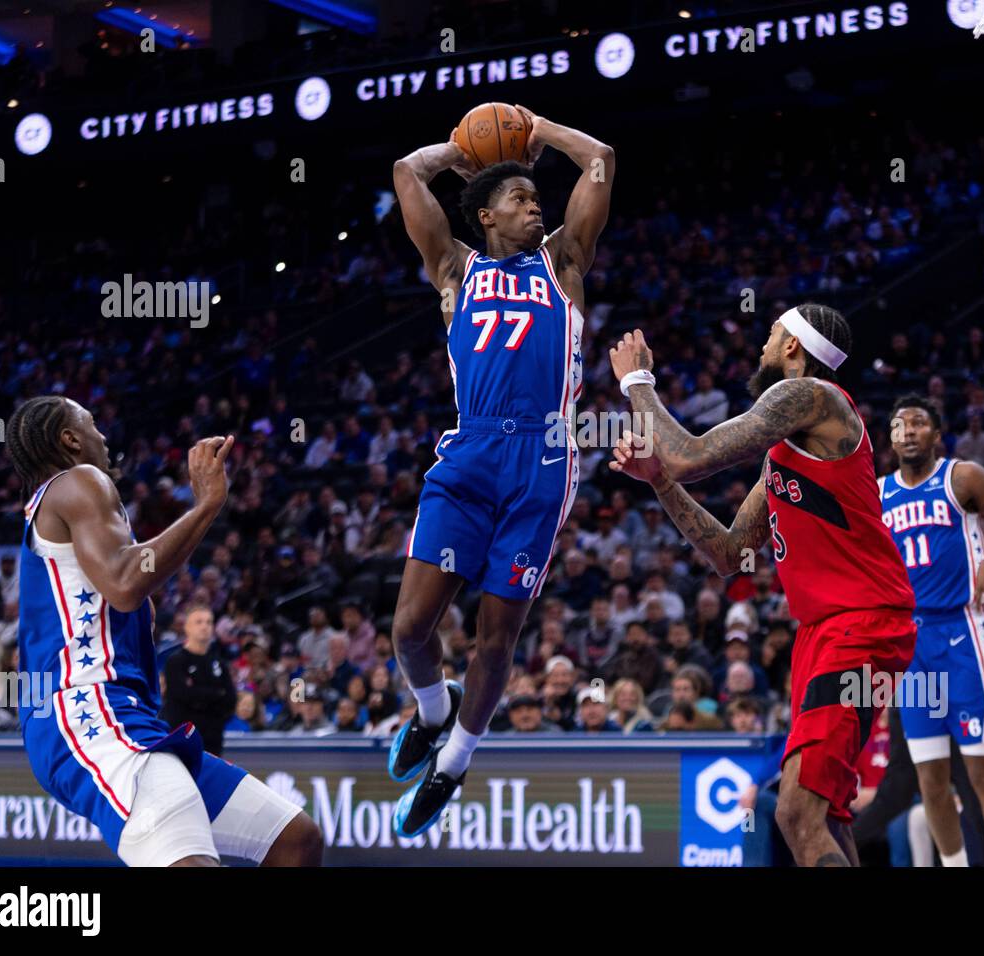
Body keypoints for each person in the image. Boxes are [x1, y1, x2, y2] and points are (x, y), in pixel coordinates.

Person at [608, 306, 915, 867]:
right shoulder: (787, 453)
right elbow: (729, 555)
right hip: (826, 632)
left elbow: (690, 455)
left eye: (771, 336)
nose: (761, 348)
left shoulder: (813, 396)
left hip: (859, 625)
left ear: (795, 347)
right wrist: (658, 481)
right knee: (823, 816)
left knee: (794, 812)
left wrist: (637, 382)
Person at [387, 108, 614, 836]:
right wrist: (461, 151)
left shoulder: (564, 262)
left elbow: (601, 158)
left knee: (496, 633)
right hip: (471, 452)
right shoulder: (455, 268)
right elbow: (405, 172)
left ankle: (453, 761)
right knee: (410, 629)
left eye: (535, 199)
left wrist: (539, 129)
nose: (534, 206)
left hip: (543, 458)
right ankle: (433, 709)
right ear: (485, 215)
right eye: (518, 198)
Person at [4, 396, 321, 867]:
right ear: (69, 439)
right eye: (91, 425)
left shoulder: (62, 508)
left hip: (120, 715)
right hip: (89, 710)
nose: (104, 436)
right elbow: (126, 584)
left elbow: (120, 589)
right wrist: (208, 505)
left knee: (295, 840)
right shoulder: (79, 481)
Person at [883, 393, 984, 867]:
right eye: (898, 425)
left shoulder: (962, 476)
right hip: (913, 645)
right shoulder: (876, 493)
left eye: (918, 422)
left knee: (981, 772)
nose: (907, 430)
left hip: (966, 634)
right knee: (930, 778)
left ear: (936, 434)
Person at [160, 604, 237, 756]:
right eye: (199, 622)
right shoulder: (176, 661)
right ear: (187, 627)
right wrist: (216, 694)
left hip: (213, 741)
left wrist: (199, 695)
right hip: (184, 741)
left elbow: (230, 699)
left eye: (209, 622)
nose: (205, 627)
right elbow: (181, 696)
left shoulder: (220, 663)